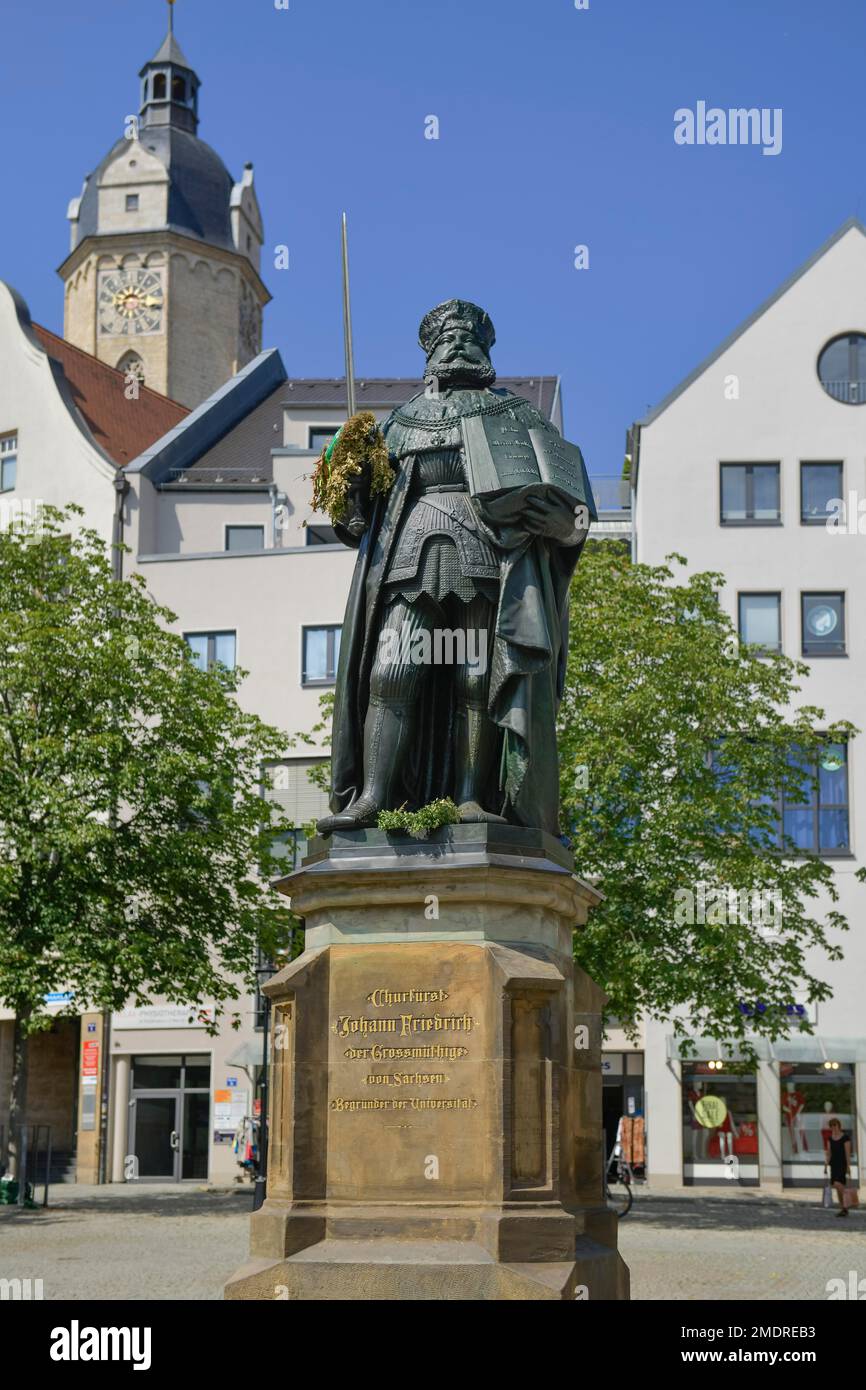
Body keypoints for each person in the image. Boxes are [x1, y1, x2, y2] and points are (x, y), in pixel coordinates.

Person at [824, 1116, 853, 1217]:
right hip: (834, 1165)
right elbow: (829, 1153)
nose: (833, 1128)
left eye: (835, 1125)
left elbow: (847, 1153)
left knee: (838, 1184)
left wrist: (848, 1166)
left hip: (842, 1164)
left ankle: (846, 1203)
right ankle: (843, 1208)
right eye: (831, 1126)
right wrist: (826, 1164)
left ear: (839, 1126)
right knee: (836, 1187)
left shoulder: (845, 1138)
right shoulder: (830, 1139)